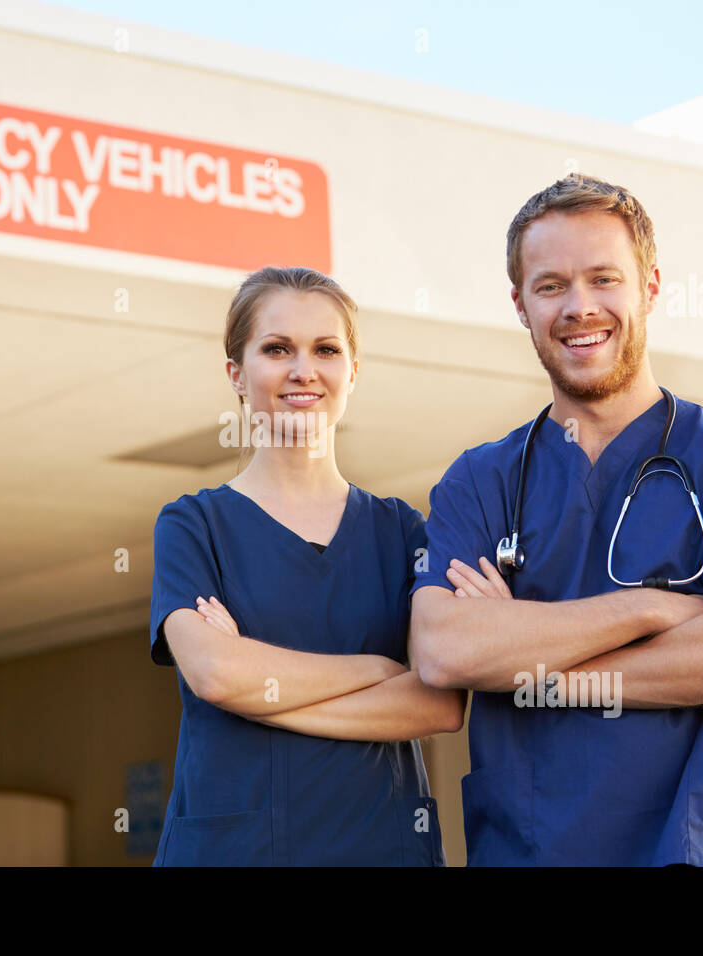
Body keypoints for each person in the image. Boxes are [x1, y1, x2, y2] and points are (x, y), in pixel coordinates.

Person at [410, 173, 703, 866]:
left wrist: (532, 669)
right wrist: (659, 608)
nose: (579, 307)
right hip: (532, 848)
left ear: (650, 288)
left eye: (604, 279)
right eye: (550, 286)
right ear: (520, 304)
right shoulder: (480, 482)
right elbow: (445, 652)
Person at [149, 266, 466, 866]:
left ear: (352, 371)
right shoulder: (193, 526)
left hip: (382, 847)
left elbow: (439, 705)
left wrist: (257, 686)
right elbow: (216, 676)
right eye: (276, 349)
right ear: (236, 375)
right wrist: (378, 669)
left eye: (326, 349)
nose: (303, 370)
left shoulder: (403, 532)